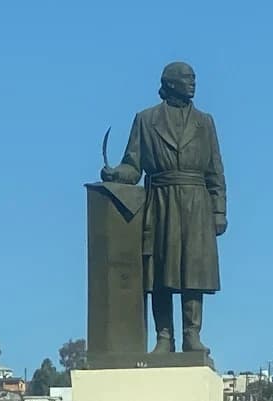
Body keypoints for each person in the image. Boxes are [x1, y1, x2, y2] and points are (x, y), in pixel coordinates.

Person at [101, 62, 226, 354]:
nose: (193, 83)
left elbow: (216, 171)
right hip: (160, 201)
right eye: (186, 79)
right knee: (160, 273)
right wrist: (116, 174)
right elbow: (133, 165)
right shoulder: (146, 120)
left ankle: (192, 335)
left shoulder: (205, 122)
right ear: (169, 84)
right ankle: (164, 337)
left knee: (193, 272)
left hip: (196, 202)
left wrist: (219, 210)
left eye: (194, 79)